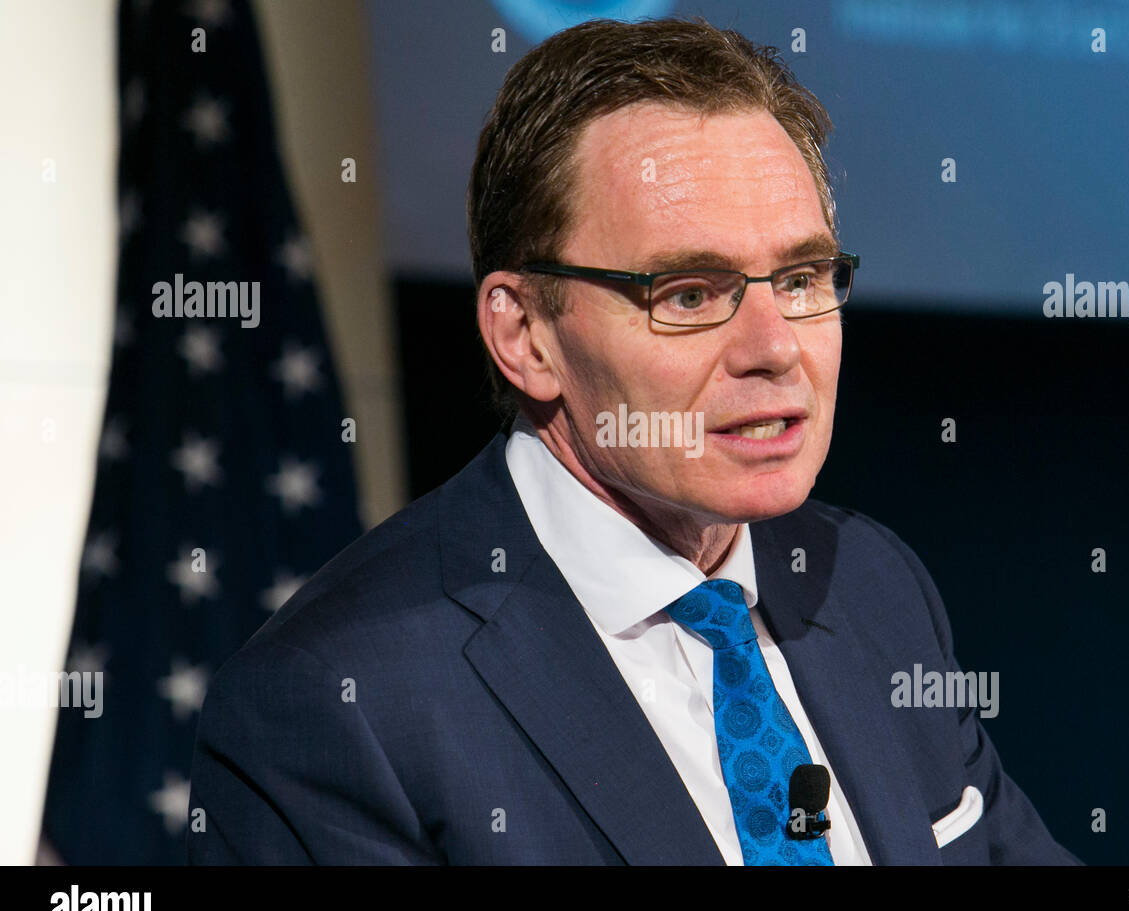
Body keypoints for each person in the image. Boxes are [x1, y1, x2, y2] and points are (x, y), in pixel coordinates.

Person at [188, 16, 1080, 865]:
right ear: (526, 336)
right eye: (690, 293)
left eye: (803, 278)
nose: (775, 348)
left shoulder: (871, 584)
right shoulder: (341, 702)